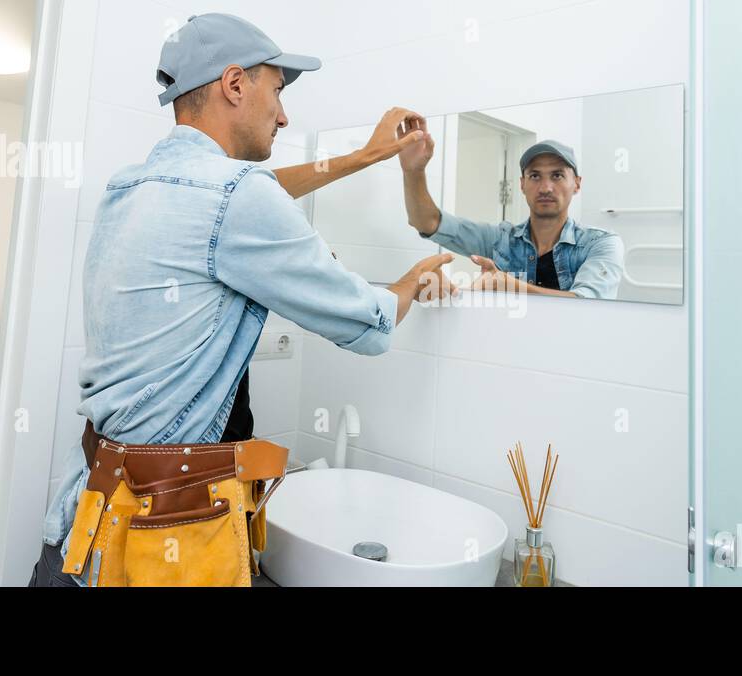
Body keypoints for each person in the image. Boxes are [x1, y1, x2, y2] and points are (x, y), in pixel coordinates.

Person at [29, 13, 453, 587]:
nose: (284, 114)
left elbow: (249, 194)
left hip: (87, 527)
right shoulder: (235, 197)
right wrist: (411, 283)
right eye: (277, 91)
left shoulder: (131, 186)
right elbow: (370, 324)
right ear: (234, 85)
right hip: (161, 546)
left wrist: (361, 158)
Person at [399, 134, 624, 299]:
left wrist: (508, 284)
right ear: (522, 184)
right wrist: (413, 171)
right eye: (535, 176)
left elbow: (588, 303)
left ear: (576, 184)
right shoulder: (500, 239)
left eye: (557, 175)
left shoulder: (600, 244)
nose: (546, 187)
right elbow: (427, 222)